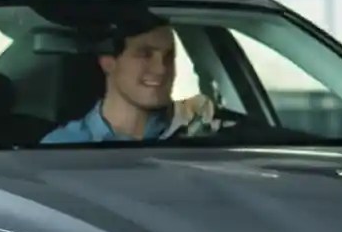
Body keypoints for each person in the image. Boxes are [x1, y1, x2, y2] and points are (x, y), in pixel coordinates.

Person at [41, 15, 216, 144]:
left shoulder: (195, 134)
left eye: (169, 56)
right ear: (108, 62)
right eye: (145, 54)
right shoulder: (64, 145)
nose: (161, 68)